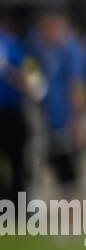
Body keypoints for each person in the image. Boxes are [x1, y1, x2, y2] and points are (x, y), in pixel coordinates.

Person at [28, 10, 86, 196]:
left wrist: (78, 120)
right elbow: (32, 79)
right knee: (56, 166)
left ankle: (75, 214)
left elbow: (78, 87)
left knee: (70, 169)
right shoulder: (40, 49)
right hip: (48, 120)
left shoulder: (72, 51)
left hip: (67, 119)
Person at [0, 14, 31, 202]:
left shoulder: (17, 46)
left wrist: (11, 71)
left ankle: (17, 207)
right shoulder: (16, 45)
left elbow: (35, 84)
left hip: (13, 113)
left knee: (17, 162)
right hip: (9, 112)